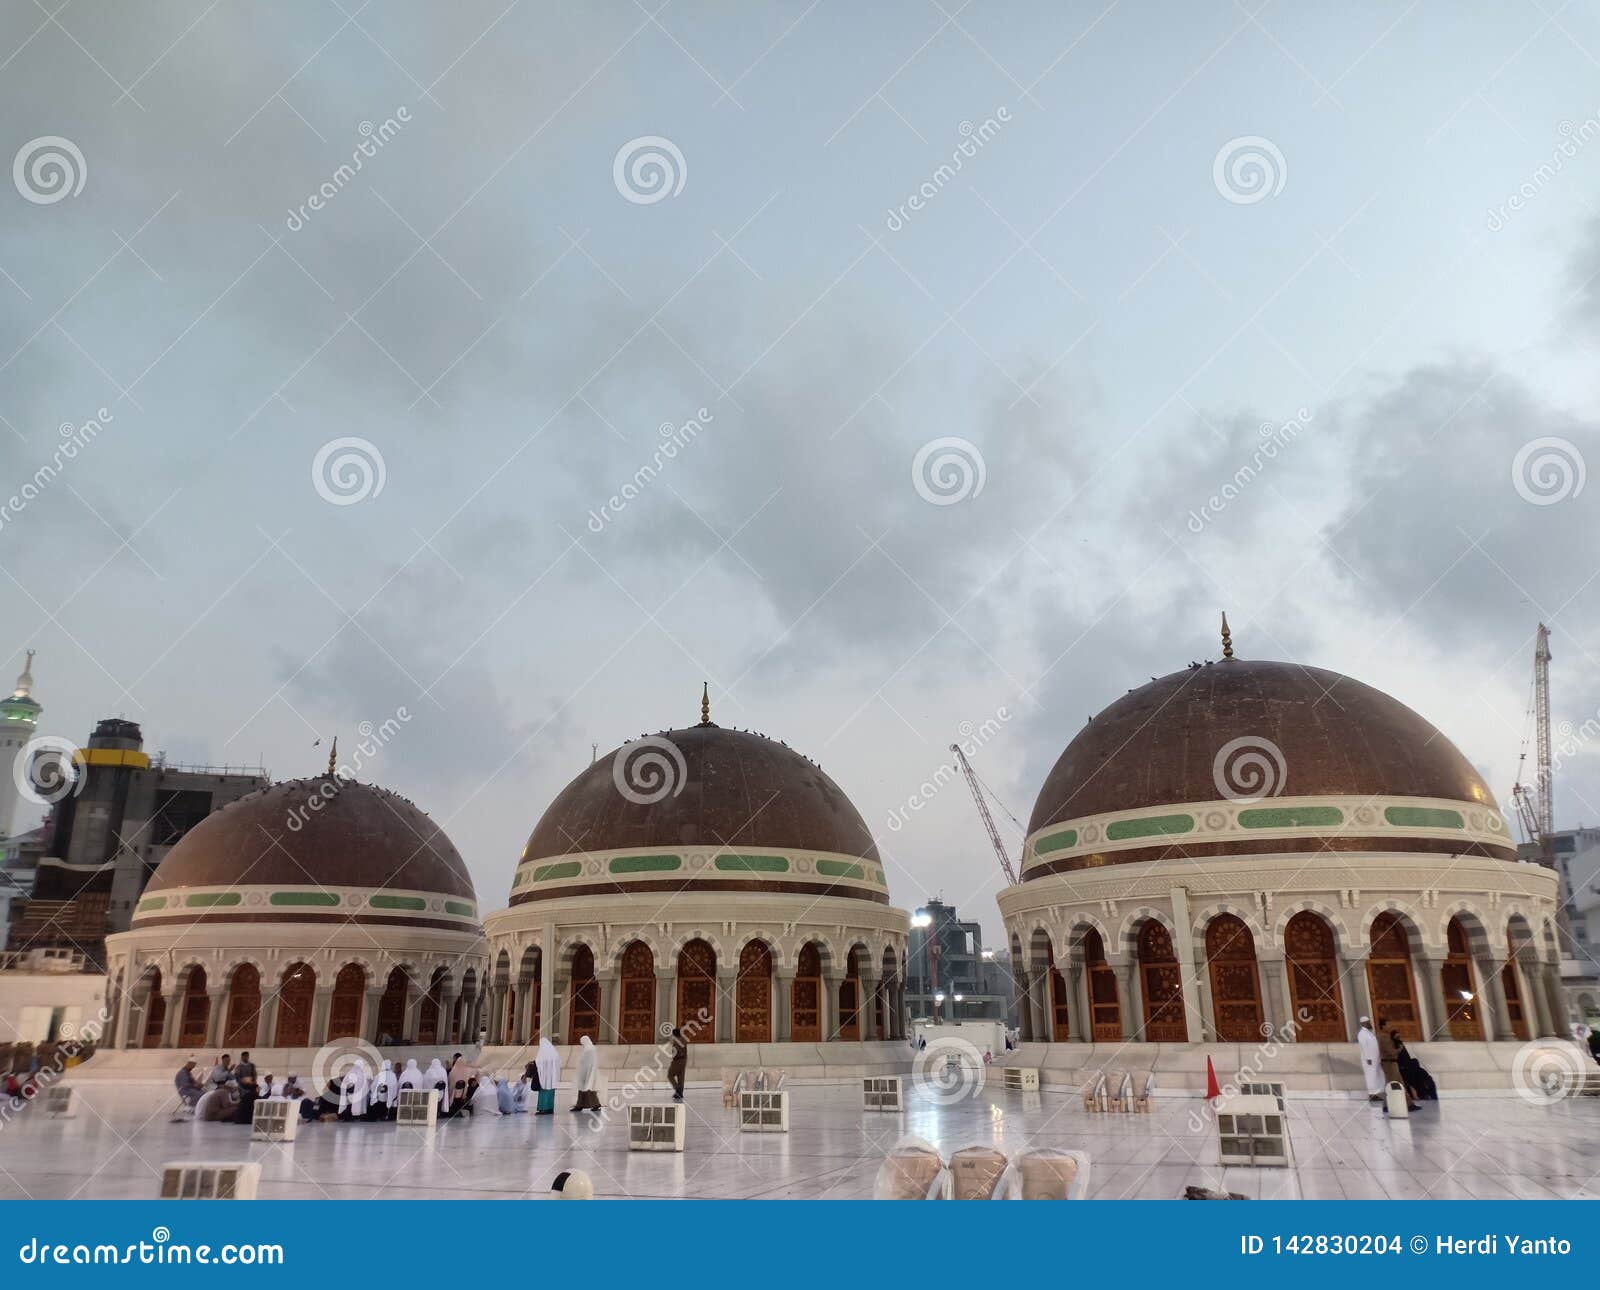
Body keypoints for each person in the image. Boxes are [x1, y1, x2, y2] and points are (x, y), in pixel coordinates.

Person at [1375, 1016, 1418, 1112]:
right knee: (1395, 1084)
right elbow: (1390, 1051)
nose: (1390, 1027)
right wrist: (1400, 1049)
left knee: (1396, 1084)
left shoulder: (1383, 1036)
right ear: (1382, 1026)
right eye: (1388, 1025)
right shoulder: (1384, 1037)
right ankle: (1404, 1105)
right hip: (1390, 1063)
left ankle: (1407, 1104)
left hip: (1390, 1063)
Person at [1392, 1028, 1437, 1101]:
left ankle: (1422, 1095)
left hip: (1408, 1065)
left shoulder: (1400, 1043)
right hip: (1403, 1067)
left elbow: (1405, 1055)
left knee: (1416, 1080)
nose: (1398, 1037)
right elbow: (1396, 1055)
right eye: (1397, 1036)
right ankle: (1415, 1096)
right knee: (1409, 1082)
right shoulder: (1395, 1044)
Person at [1357, 1016, 1383, 1103]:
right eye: (1367, 1022)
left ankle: (1376, 1093)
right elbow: (1364, 1047)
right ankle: (1372, 1094)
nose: (1369, 1023)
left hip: (1375, 1058)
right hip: (1369, 1060)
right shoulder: (1362, 1034)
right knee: (1371, 1076)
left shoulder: (1369, 1032)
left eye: (1369, 1022)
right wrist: (1368, 1058)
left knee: (1376, 1075)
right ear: (1362, 1024)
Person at [572, 1035, 601, 1112]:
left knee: (589, 1088)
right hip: (585, 1072)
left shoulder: (589, 1049)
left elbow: (587, 1062)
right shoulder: (589, 1048)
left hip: (588, 1072)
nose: (581, 1043)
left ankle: (595, 1104)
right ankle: (580, 1105)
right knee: (583, 1088)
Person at [534, 1040, 560, 1114]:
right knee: (550, 1093)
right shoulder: (554, 1053)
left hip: (544, 1078)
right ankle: (550, 1109)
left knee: (543, 1093)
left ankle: (543, 1109)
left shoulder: (542, 1053)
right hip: (551, 1078)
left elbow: (538, 1062)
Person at [667, 1027, 688, 1102]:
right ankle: (680, 1093)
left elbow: (675, 1052)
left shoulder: (676, 1041)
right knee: (680, 1077)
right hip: (684, 1060)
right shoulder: (683, 1039)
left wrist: (673, 1058)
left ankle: (678, 1091)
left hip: (677, 1060)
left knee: (670, 1075)